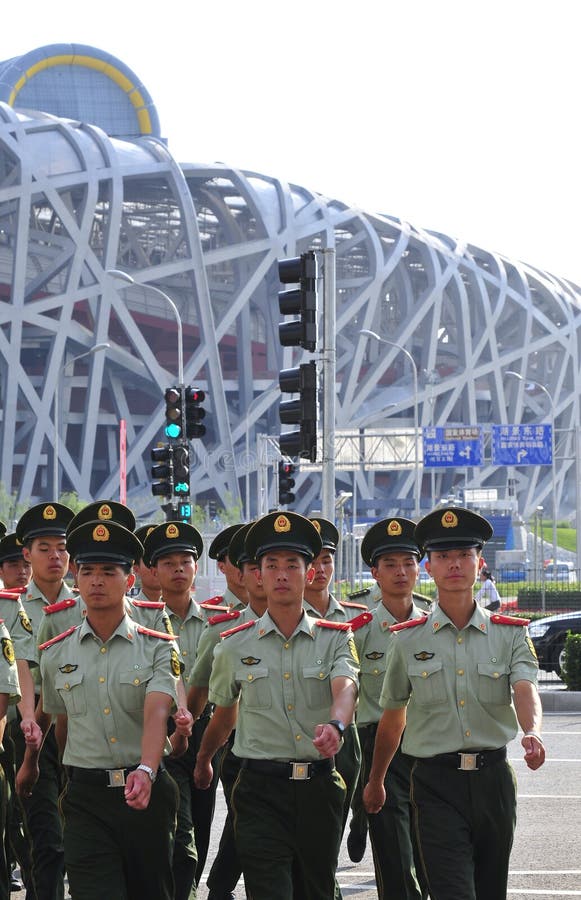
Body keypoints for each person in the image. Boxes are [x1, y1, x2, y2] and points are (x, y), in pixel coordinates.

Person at [364, 506, 545, 900]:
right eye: (444, 556)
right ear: (429, 567)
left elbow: (525, 687)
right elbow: (393, 716)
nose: (455, 565)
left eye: (464, 555)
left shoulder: (510, 634)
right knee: (451, 889)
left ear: (480, 564)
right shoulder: (407, 640)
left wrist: (532, 731)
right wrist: (377, 779)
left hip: (493, 780)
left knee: (489, 890)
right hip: (434, 782)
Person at [194, 511, 359, 900]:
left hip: (319, 787)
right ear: (259, 575)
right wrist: (203, 758)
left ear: (310, 573)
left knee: (315, 890)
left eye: (292, 565)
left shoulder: (335, 637)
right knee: (269, 890)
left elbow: (346, 686)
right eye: (272, 565)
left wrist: (335, 726)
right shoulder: (233, 644)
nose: (282, 574)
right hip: (258, 790)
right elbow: (222, 710)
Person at [39, 519, 180, 900]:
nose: (96, 581)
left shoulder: (158, 647)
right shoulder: (56, 654)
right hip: (86, 798)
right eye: (87, 572)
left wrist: (147, 770)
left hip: (145, 790)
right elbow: (61, 723)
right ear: (76, 579)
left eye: (108, 572)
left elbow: (156, 714)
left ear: (130, 579)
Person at [188, 521, 268, 900]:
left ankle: (220, 883)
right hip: (227, 739)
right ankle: (212, 882)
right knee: (235, 816)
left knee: (249, 820)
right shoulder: (222, 624)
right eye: (247, 565)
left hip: (279, 741)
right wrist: (187, 737)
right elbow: (199, 686)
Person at [350, 518, 427, 899]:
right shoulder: (359, 629)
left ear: (419, 568)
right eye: (391, 564)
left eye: (408, 563)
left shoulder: (434, 623)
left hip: (429, 741)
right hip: (377, 743)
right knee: (395, 849)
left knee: (430, 844)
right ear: (375, 572)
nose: (401, 572)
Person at [143, 521, 211, 899]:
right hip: (154, 729)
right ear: (153, 571)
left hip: (203, 730)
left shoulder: (215, 623)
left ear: (197, 567)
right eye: (168, 563)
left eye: (186, 560)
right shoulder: (138, 622)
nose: (179, 569)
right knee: (174, 837)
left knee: (201, 825)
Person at [14, 501, 75, 900]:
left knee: (78, 844)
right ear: (26, 554)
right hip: (29, 730)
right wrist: (30, 723)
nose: (55, 556)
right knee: (47, 842)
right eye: (44, 548)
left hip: (80, 729)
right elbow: (17, 670)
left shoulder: (92, 602)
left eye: (62, 548)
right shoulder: (11, 606)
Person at [204, 525, 248, 609]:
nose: (245, 567)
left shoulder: (274, 609)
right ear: (221, 567)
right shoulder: (208, 614)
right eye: (236, 560)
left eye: (249, 560)